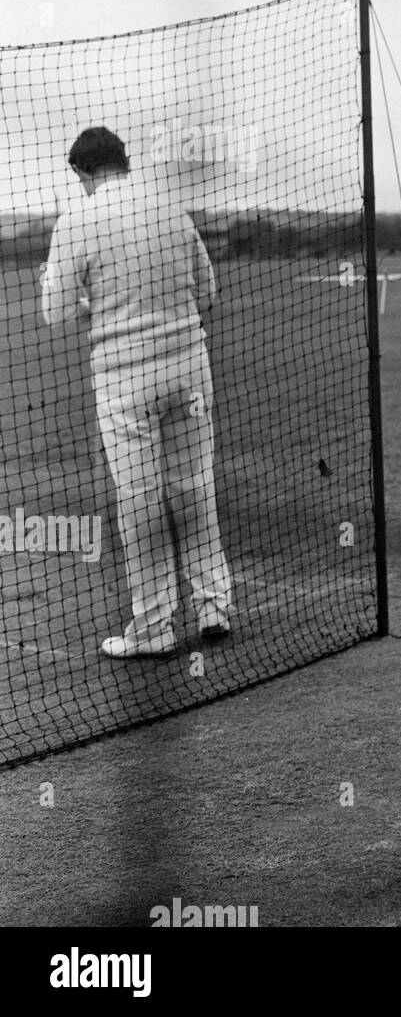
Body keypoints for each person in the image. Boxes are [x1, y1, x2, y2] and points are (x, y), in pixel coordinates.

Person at [41, 126, 233, 657]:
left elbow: (54, 315)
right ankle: (215, 607)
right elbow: (208, 294)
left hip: (125, 381)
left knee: (141, 502)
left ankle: (153, 629)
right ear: (123, 162)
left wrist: (78, 297)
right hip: (190, 369)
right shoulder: (170, 205)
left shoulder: (75, 220)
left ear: (82, 172)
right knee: (195, 488)